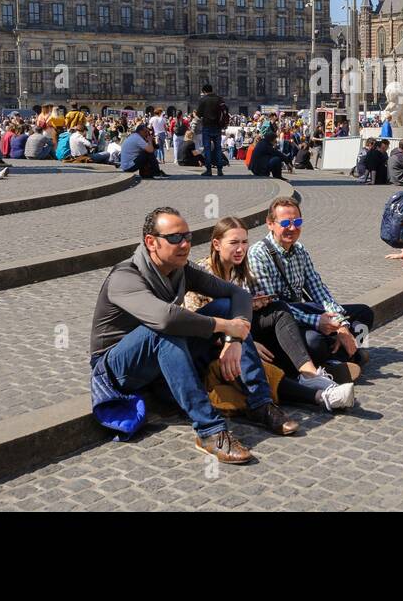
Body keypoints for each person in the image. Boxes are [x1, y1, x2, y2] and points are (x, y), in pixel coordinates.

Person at [89, 207, 299, 464]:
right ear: (150, 242)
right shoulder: (125, 277)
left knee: (222, 306)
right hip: (118, 368)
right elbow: (166, 318)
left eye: (187, 236)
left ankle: (259, 403)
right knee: (166, 329)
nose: (185, 244)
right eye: (175, 238)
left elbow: (239, 295)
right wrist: (223, 326)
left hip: (163, 358)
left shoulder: (181, 269)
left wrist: (233, 338)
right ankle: (209, 430)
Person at [191, 217, 354, 411]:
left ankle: (309, 374)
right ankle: (321, 396)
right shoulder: (201, 273)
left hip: (238, 335)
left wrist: (253, 305)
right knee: (263, 361)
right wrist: (245, 341)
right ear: (216, 244)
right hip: (212, 346)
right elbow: (196, 326)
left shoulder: (237, 270)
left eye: (244, 242)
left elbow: (237, 313)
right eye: (234, 243)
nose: (241, 249)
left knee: (278, 309)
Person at [248, 197, 373, 380]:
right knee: (315, 343)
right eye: (285, 223)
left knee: (364, 313)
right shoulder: (258, 254)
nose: (292, 228)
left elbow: (319, 291)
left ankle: (341, 351)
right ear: (270, 224)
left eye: (297, 222)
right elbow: (275, 307)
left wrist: (341, 325)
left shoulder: (300, 250)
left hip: (304, 313)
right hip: (281, 322)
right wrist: (316, 321)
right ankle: (336, 360)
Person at [196, 84, 227, 177]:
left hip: (207, 127)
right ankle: (219, 170)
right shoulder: (219, 99)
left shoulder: (203, 100)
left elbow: (198, 115)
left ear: (204, 91)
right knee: (218, 149)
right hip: (218, 127)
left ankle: (209, 170)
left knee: (207, 149)